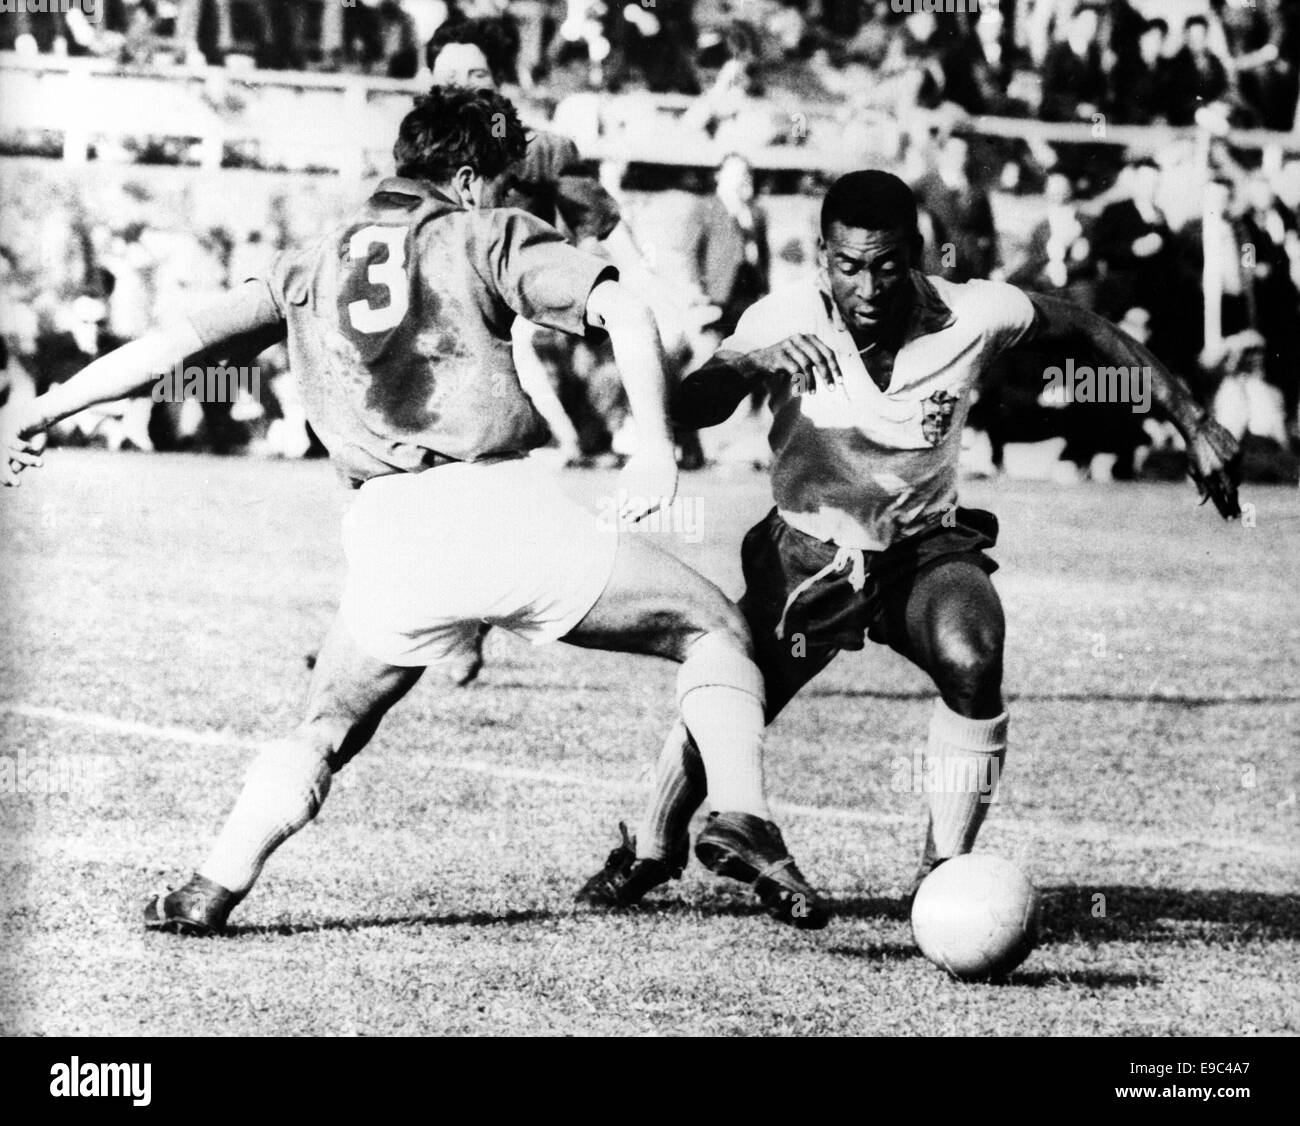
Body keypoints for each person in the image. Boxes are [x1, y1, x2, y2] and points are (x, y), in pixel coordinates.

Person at [1, 88, 827, 935]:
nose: (505, 194)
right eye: (499, 179)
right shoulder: (481, 232)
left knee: (326, 725)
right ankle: (738, 813)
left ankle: (212, 883)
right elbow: (622, 307)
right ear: (468, 179)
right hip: (496, 511)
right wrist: (653, 442)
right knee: (714, 630)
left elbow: (174, 346)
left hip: (389, 535)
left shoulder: (311, 256)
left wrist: (46, 407)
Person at [576, 170, 1242, 913]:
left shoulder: (971, 313)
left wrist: (1192, 419)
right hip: (808, 556)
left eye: (887, 265)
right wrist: (751, 365)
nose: (868, 286)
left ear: (917, 255)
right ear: (824, 257)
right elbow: (692, 404)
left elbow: (1084, 326)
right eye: (849, 265)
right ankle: (653, 849)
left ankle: (945, 877)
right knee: (735, 705)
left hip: (922, 553)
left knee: (974, 653)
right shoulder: (782, 317)